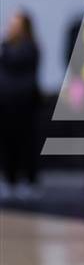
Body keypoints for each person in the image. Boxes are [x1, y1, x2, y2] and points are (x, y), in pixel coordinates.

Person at [0, 10, 41, 197]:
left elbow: (16, 62)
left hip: (25, 103)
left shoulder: (30, 48)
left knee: (27, 144)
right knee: (8, 144)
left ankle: (30, 181)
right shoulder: (6, 46)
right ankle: (10, 180)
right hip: (7, 103)